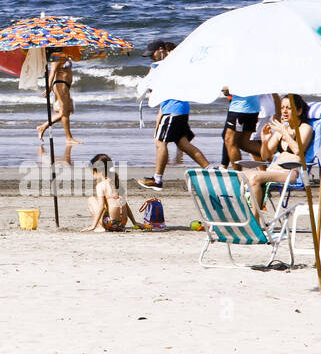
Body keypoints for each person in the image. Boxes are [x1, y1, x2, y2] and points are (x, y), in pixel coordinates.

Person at [138, 41, 209, 190]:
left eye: (152, 54)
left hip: (173, 108)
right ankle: (210, 169)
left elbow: (149, 85)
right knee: (183, 144)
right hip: (181, 108)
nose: (151, 57)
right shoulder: (175, 64)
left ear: (161, 50)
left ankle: (157, 180)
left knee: (160, 143)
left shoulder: (162, 66)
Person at [244, 94, 313, 214]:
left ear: (299, 111)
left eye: (289, 108)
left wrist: (284, 132)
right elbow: (265, 156)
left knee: (254, 177)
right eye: (282, 108)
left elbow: (298, 150)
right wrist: (264, 140)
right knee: (239, 175)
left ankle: (255, 221)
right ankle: (241, 217)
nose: (284, 111)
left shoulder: (305, 128)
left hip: (290, 173)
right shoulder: (281, 130)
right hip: (272, 171)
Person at [81, 154, 142, 232]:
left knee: (91, 200)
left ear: (98, 171)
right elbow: (125, 204)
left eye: (93, 173)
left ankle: (100, 227)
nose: (94, 177)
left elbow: (101, 206)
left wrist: (93, 225)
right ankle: (111, 224)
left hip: (110, 224)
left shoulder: (100, 185)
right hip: (122, 223)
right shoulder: (116, 181)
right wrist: (134, 222)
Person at [219, 88, 275, 168]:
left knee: (230, 141)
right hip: (253, 108)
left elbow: (231, 88)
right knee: (245, 143)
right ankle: (278, 158)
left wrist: (228, 90)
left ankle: (238, 175)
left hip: (241, 108)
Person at [34, 51, 78, 145]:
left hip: (64, 85)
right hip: (60, 84)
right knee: (64, 112)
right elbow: (52, 71)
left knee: (67, 110)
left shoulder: (65, 55)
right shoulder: (57, 56)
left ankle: (43, 127)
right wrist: (48, 87)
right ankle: (68, 138)